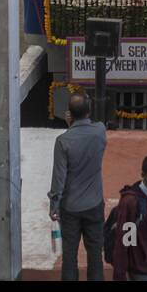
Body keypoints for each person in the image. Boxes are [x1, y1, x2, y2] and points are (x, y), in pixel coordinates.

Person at [49, 92, 107, 280]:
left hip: (70, 207)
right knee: (95, 255)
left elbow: (59, 178)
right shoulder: (100, 130)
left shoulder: (63, 141)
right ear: (89, 111)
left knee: (69, 257)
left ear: (70, 114)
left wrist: (54, 206)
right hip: (94, 203)